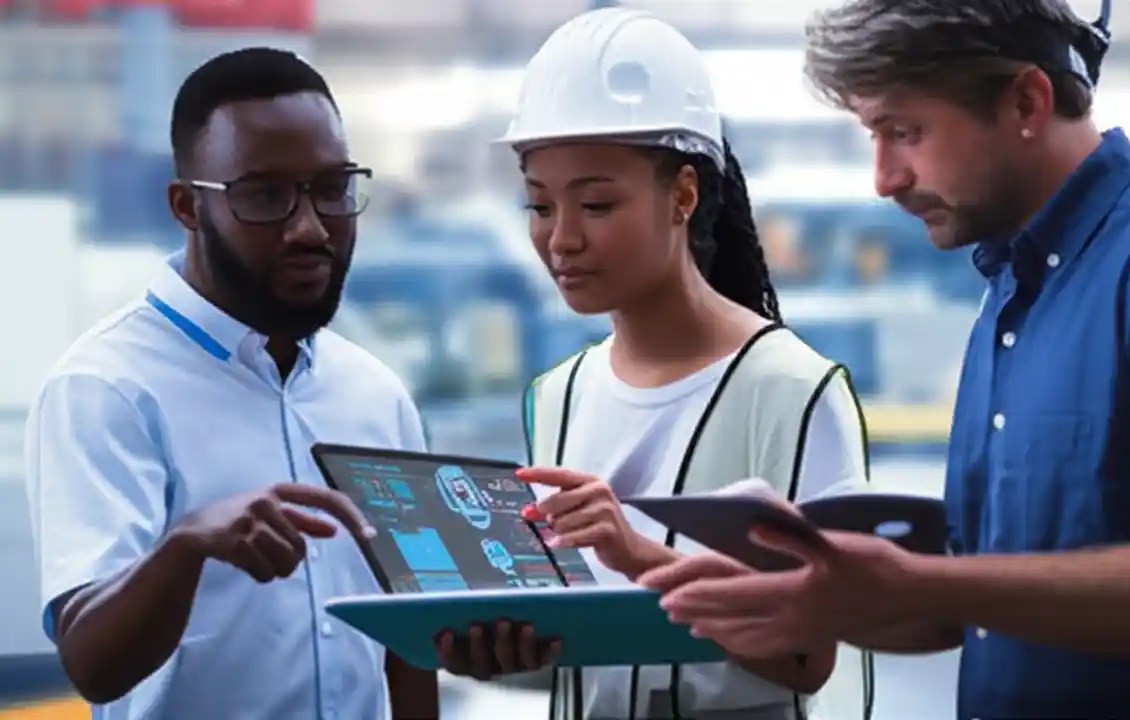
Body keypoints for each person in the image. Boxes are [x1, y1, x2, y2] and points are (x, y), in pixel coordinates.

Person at [640, 1, 1130, 718]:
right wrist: (807, 588)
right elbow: (971, 607)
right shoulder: (1010, 294)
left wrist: (923, 583)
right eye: (874, 136)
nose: (884, 178)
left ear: (1027, 102)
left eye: (904, 132)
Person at [433, 8, 872, 720]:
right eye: (539, 206)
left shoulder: (791, 389)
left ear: (684, 196)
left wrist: (638, 555)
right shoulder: (559, 395)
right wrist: (502, 651)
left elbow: (807, 657)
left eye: (596, 204)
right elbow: (598, 659)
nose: (561, 239)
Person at [24, 47, 438, 720]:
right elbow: (93, 665)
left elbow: (408, 638)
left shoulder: (375, 393)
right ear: (187, 206)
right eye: (264, 196)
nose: (309, 227)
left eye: (332, 188)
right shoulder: (107, 388)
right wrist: (187, 547)